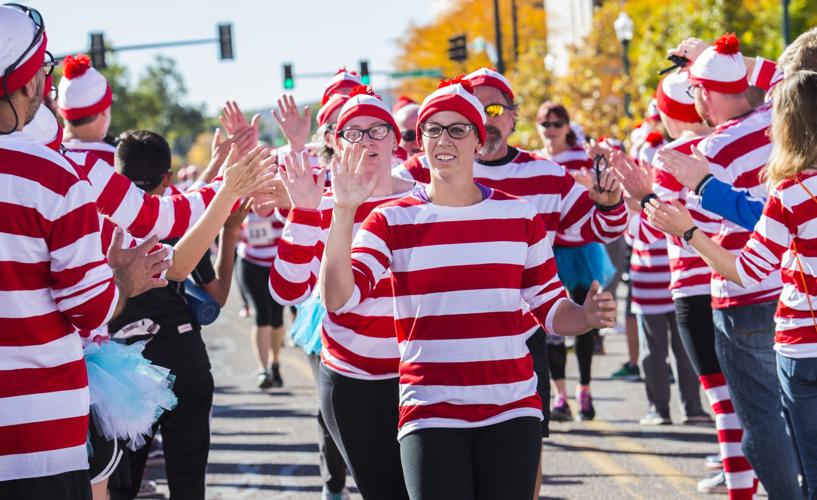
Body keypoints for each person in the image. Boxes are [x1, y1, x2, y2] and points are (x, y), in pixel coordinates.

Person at [320, 78, 617, 500]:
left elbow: (550, 310)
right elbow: (338, 299)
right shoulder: (390, 221)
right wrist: (344, 210)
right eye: (433, 129)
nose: (445, 138)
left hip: (511, 406)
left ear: (479, 142)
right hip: (430, 409)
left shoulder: (519, 216)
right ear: (420, 143)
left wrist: (585, 316)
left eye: (458, 128)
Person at [0, 6, 169, 498]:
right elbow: (90, 308)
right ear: (31, 83)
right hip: (39, 442)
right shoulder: (51, 178)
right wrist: (122, 279)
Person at [645, 69, 817, 500]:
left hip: (802, 345)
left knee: (798, 456)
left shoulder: (790, 193)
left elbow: (746, 269)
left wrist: (690, 233)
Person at [107, 134, 273, 500]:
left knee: (121, 486)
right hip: (183, 357)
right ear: (167, 178)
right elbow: (217, 295)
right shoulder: (176, 223)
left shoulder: (95, 222)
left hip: (121, 369)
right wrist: (230, 231)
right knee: (188, 480)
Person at [270, 87, 413, 500]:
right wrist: (303, 212)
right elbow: (286, 289)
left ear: (395, 139)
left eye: (377, 131)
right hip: (354, 380)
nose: (367, 141)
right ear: (335, 141)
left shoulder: (422, 197)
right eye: (354, 132)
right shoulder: (321, 202)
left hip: (422, 378)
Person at [533, 100, 615, 422]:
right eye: (545, 124)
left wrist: (602, 166)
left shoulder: (581, 155)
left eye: (557, 124)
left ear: (567, 127)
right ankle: (561, 397)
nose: (551, 130)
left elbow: (605, 183)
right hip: (547, 250)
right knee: (551, 326)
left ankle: (585, 392)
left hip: (580, 249)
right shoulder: (535, 161)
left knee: (583, 322)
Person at [626, 131, 708, 427]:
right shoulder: (676, 161)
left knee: (659, 350)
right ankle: (690, 408)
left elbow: (636, 233)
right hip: (664, 277)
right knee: (680, 348)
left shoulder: (657, 165)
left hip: (664, 276)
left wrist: (638, 205)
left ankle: (664, 409)